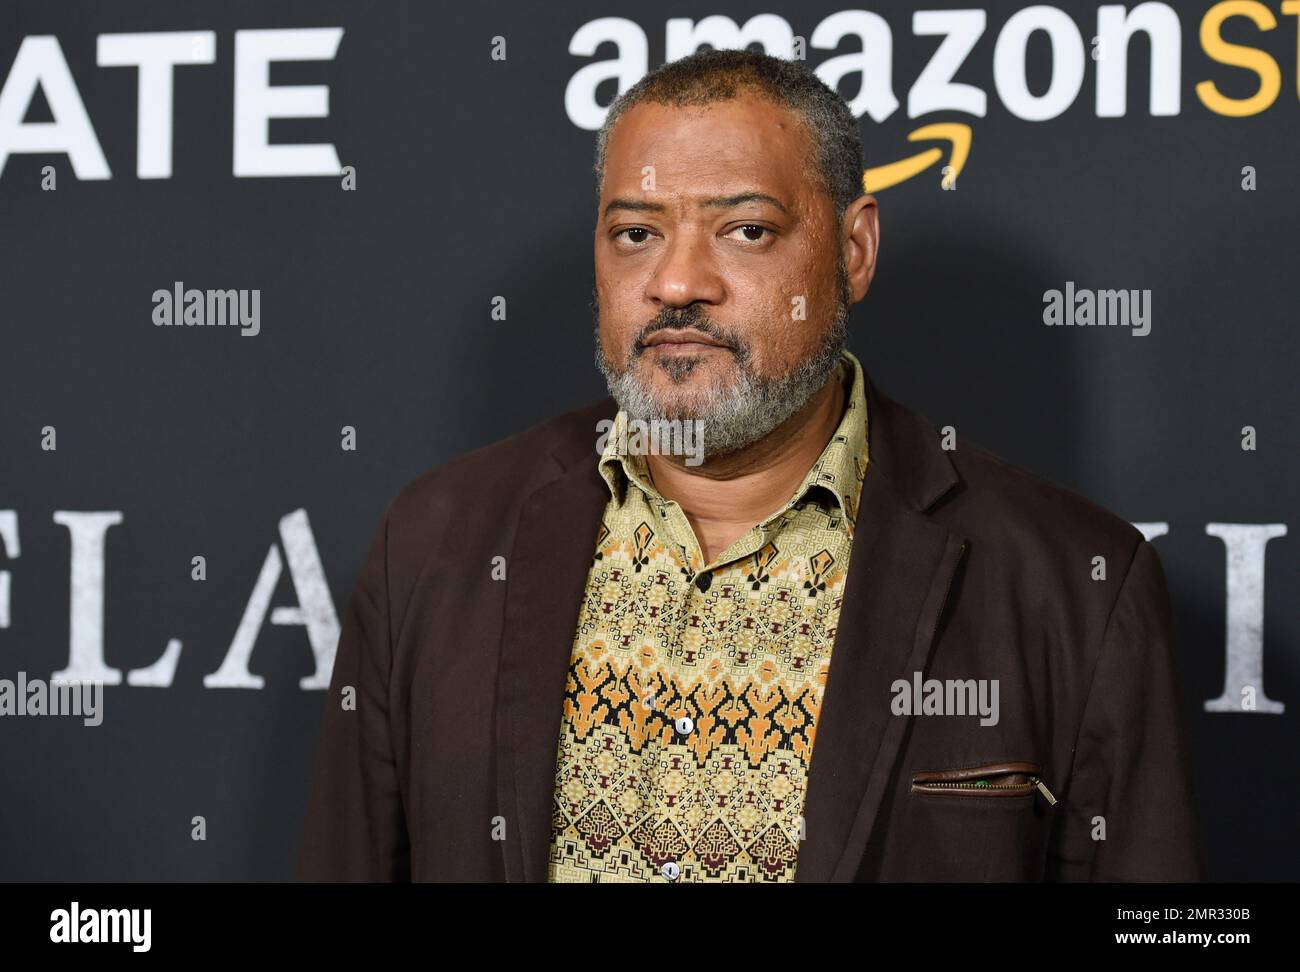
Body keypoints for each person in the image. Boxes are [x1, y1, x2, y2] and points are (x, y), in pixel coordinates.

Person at [298, 48, 1202, 882]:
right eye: (636, 234)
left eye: (746, 231)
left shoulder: (1074, 584)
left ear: (853, 252)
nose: (678, 281)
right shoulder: (437, 540)